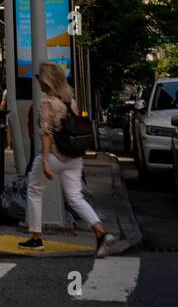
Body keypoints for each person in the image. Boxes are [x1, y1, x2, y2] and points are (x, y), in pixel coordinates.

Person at [19, 62, 117, 256]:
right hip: (74, 156)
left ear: (47, 81)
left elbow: (46, 134)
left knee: (34, 190)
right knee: (74, 197)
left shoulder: (47, 103)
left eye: (39, 77)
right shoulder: (70, 101)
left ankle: (36, 237)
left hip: (55, 154)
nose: (38, 81)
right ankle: (100, 232)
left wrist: (45, 160)